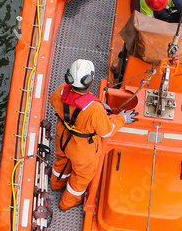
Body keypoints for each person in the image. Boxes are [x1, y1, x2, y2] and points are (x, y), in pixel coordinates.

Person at [49, 59, 137, 210]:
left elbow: (56, 100)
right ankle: (67, 202)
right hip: (82, 149)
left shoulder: (62, 90)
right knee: (82, 176)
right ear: (90, 80)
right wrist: (122, 118)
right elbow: (107, 131)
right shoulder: (94, 109)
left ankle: (56, 184)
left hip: (62, 137)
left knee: (62, 160)